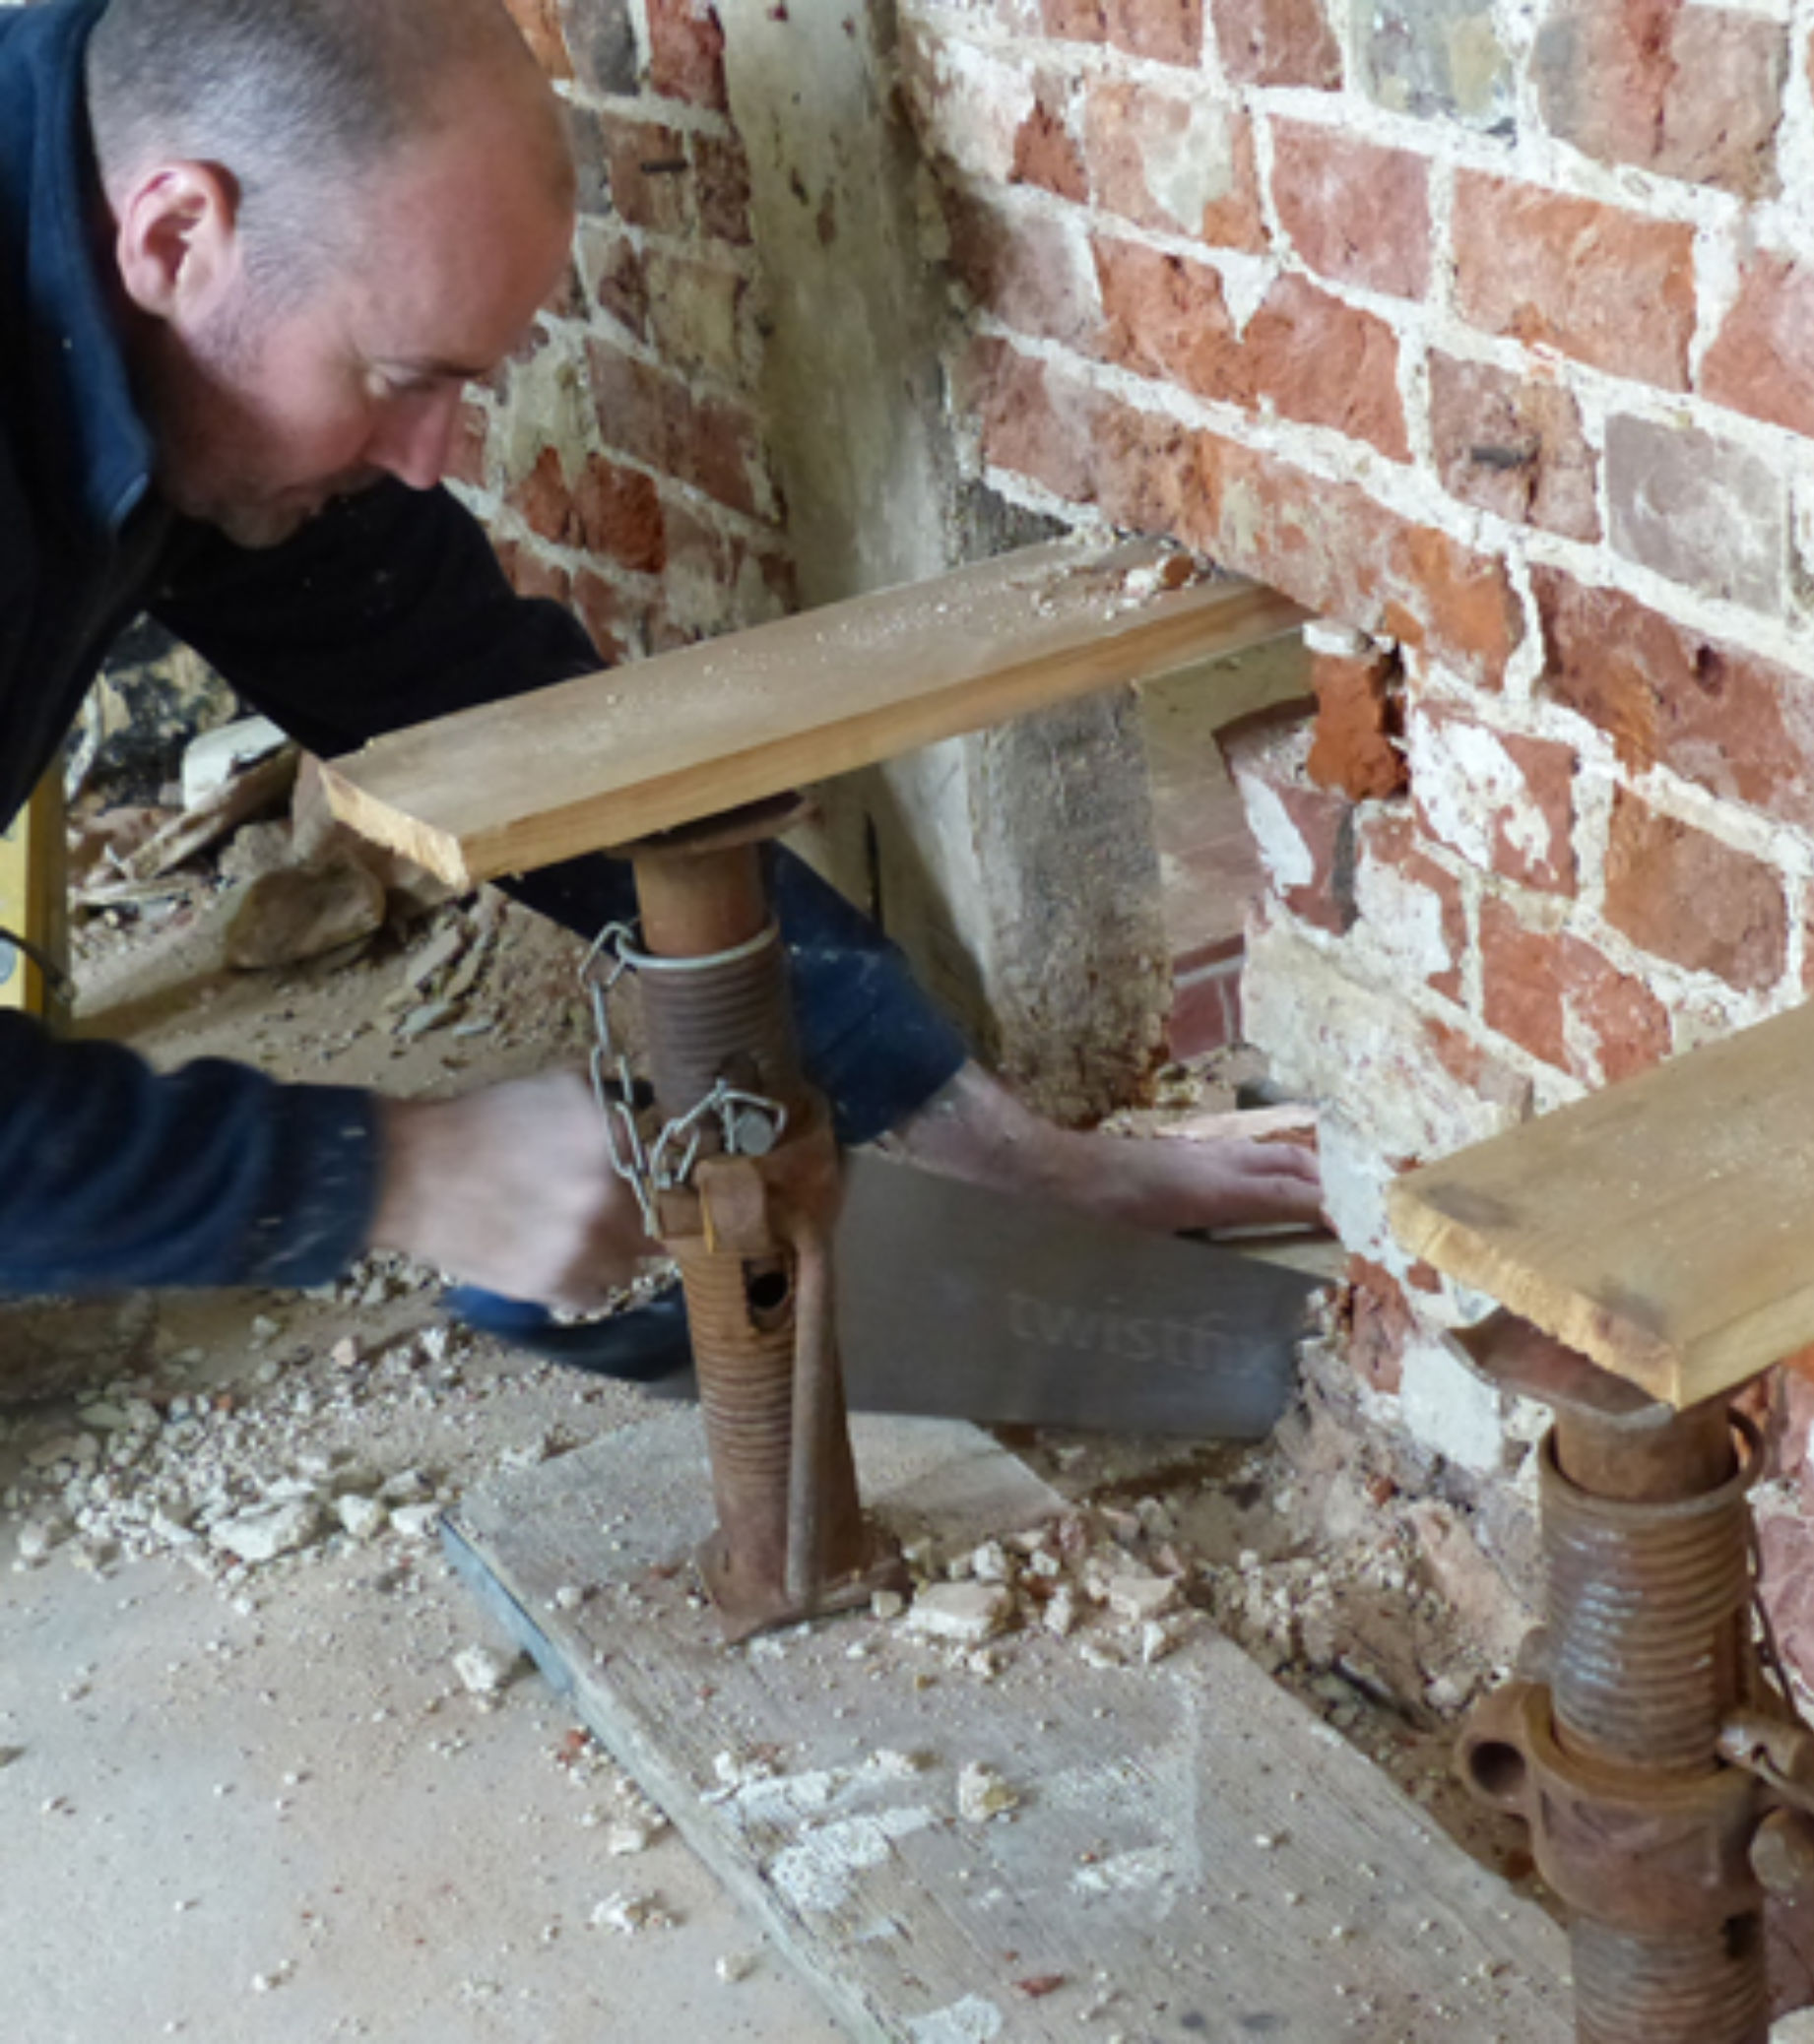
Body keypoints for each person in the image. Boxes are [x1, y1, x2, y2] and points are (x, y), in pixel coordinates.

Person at [0, 0, 1321, 1321]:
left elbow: (471, 702)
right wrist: (394, 1173)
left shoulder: (183, 315)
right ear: (177, 236)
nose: (426, 460)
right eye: (398, 377)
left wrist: (974, 1132)